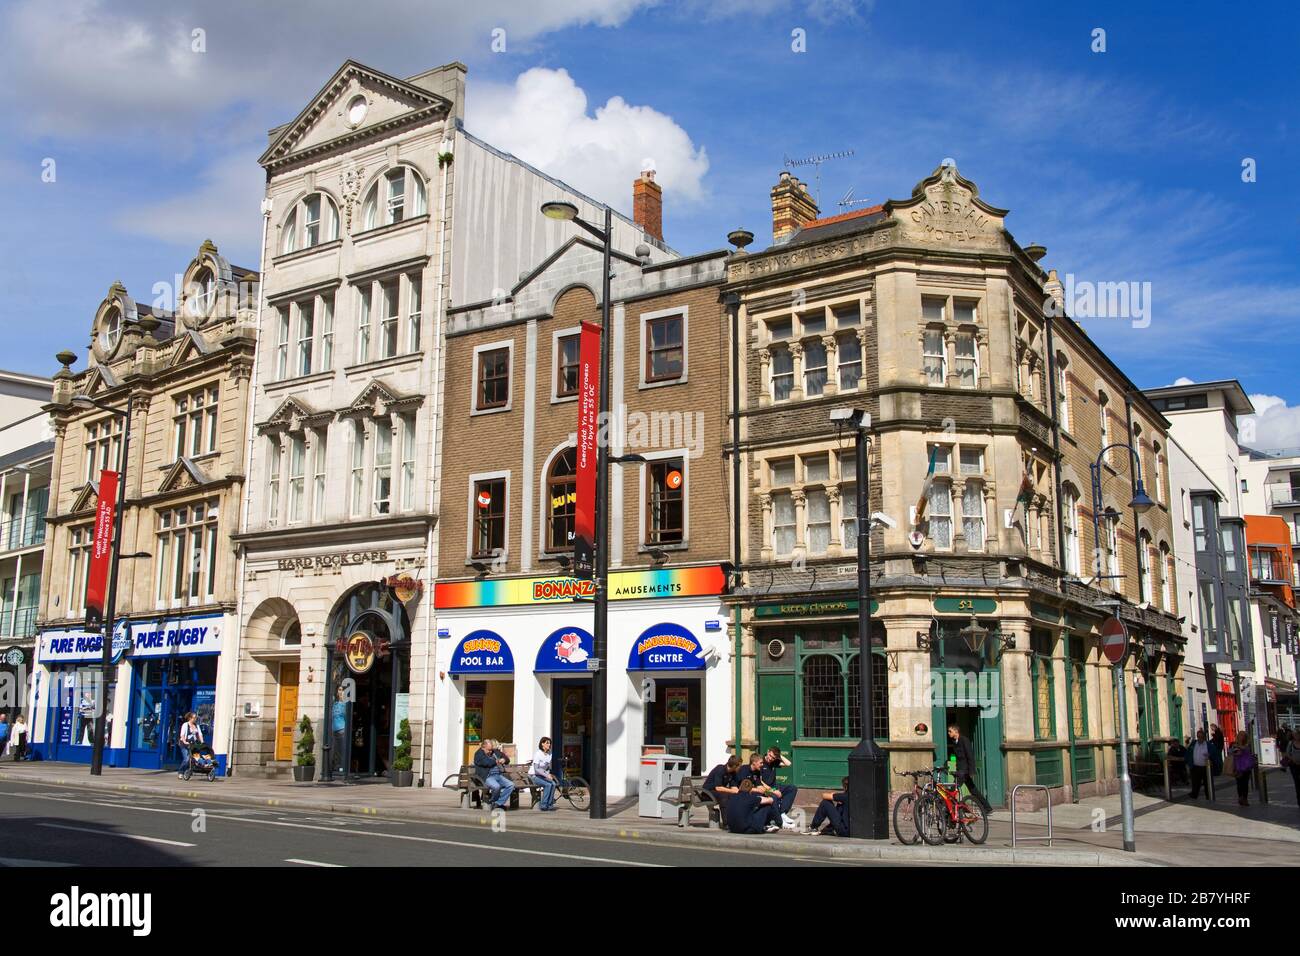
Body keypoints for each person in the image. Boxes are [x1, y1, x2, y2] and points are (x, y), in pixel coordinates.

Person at [948, 724, 992, 815]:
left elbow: (970, 755)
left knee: (952, 789)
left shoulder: (964, 740)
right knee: (973, 790)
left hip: (964, 771)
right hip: (960, 769)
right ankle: (987, 807)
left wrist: (972, 770)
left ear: (956, 731)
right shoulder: (954, 741)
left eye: (950, 731)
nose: (949, 733)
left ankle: (954, 807)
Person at [760, 746, 799, 826]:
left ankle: (782, 813)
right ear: (768, 752)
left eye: (773, 757)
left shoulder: (774, 762)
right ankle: (780, 821)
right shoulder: (761, 762)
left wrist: (779, 756)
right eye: (770, 755)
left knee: (792, 788)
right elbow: (760, 782)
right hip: (766, 789)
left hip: (774, 786)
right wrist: (772, 790)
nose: (770, 758)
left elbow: (788, 764)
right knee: (774, 796)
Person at [474, 738, 514, 809]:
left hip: (498, 775)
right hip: (487, 776)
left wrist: (504, 759)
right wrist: (496, 761)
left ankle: (498, 803)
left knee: (511, 785)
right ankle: (493, 801)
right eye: (488, 750)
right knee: (496, 787)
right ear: (483, 748)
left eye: (491, 749)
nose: (490, 751)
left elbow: (507, 759)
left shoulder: (494, 752)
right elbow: (486, 763)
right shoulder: (478, 754)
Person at [702, 756, 741, 825]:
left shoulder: (733, 773)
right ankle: (726, 823)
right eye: (739, 766)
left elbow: (734, 787)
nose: (740, 768)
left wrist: (739, 793)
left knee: (735, 797)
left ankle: (736, 820)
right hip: (707, 793)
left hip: (717, 793)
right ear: (734, 766)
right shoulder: (720, 769)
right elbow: (718, 787)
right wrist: (733, 791)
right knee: (724, 797)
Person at [1228, 731, 1257, 807]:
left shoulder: (1247, 745)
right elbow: (1230, 752)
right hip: (1237, 767)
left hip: (1246, 767)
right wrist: (1234, 750)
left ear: (1245, 737)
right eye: (1240, 735)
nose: (1241, 737)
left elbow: (1246, 750)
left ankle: (1245, 798)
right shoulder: (1233, 744)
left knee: (1245, 783)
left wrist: (1238, 748)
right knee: (1239, 783)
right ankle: (1240, 797)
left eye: (1242, 736)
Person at [530, 736, 558, 811]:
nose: (549, 745)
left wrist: (548, 774)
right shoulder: (538, 754)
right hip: (534, 775)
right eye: (547, 743)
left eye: (550, 743)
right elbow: (536, 769)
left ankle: (550, 805)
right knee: (548, 785)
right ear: (542, 744)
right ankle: (543, 805)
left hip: (542, 775)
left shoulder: (550, 753)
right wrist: (547, 775)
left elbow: (547, 767)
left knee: (554, 784)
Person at [1187, 729, 1211, 800]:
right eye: (1198, 737)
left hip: (1205, 767)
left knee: (1207, 782)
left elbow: (1213, 753)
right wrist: (1189, 762)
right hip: (1196, 766)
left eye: (1201, 737)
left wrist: (1209, 756)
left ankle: (1209, 795)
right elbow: (1189, 752)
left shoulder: (1208, 744)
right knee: (1195, 782)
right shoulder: (1194, 743)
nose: (1200, 739)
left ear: (1204, 737)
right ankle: (1194, 794)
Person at [177, 712, 203, 777]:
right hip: (184, 744)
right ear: (190, 718)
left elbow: (200, 734)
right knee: (187, 759)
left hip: (193, 744)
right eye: (194, 718)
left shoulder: (197, 726)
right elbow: (182, 735)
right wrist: (185, 741)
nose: (195, 719)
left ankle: (189, 771)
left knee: (196, 757)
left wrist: (202, 742)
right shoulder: (185, 725)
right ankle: (181, 772)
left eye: (195, 718)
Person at [331, 686, 348, 773]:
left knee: (342, 750)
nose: (341, 692)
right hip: (334, 730)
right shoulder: (335, 704)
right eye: (339, 690)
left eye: (342, 690)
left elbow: (347, 717)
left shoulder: (346, 704)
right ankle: (336, 766)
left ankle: (343, 767)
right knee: (334, 750)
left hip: (342, 729)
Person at [1285, 730, 1300, 807]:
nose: (1296, 736)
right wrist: (1293, 760)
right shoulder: (1291, 743)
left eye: (1297, 734)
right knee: (1297, 782)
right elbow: (1287, 754)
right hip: (1293, 765)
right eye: (1295, 735)